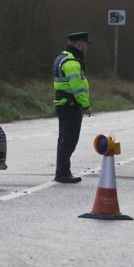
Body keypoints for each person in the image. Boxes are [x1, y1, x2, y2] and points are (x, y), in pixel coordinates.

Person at [52, 31, 91, 183]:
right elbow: (77, 88)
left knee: (64, 140)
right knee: (69, 140)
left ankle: (63, 171)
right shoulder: (72, 63)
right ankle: (62, 173)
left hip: (63, 105)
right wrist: (86, 105)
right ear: (80, 44)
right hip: (71, 105)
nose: (87, 49)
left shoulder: (62, 58)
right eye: (86, 45)